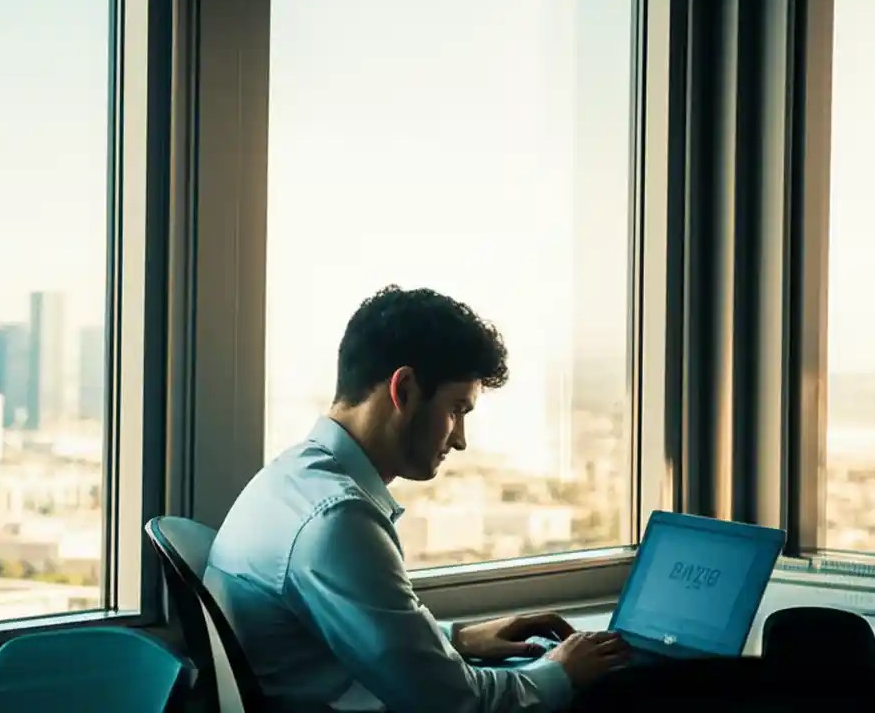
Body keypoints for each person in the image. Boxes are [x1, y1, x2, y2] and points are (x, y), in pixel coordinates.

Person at [204, 286, 628, 712]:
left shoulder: (289, 480)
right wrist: (561, 671)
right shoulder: (337, 520)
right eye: (457, 410)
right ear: (403, 390)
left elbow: (349, 638)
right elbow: (454, 704)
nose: (460, 439)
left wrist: (457, 638)